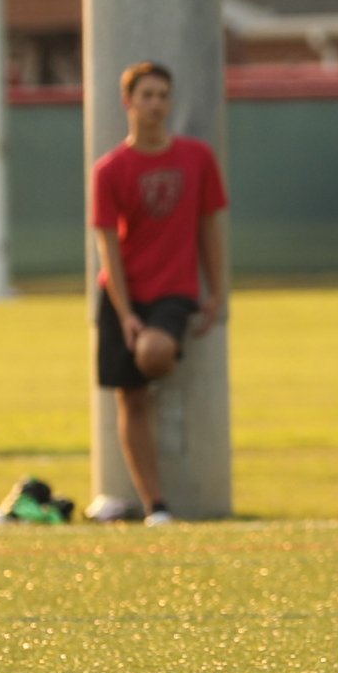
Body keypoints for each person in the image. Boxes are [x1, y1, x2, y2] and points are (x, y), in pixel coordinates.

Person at [89, 61, 228, 526]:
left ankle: (156, 370)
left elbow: (209, 226)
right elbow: (107, 245)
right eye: (146, 95)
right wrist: (125, 313)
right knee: (129, 399)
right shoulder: (110, 169)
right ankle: (157, 506)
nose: (155, 104)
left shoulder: (197, 157)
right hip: (122, 294)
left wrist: (217, 291)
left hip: (174, 289)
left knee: (152, 354)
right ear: (127, 103)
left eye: (163, 95)